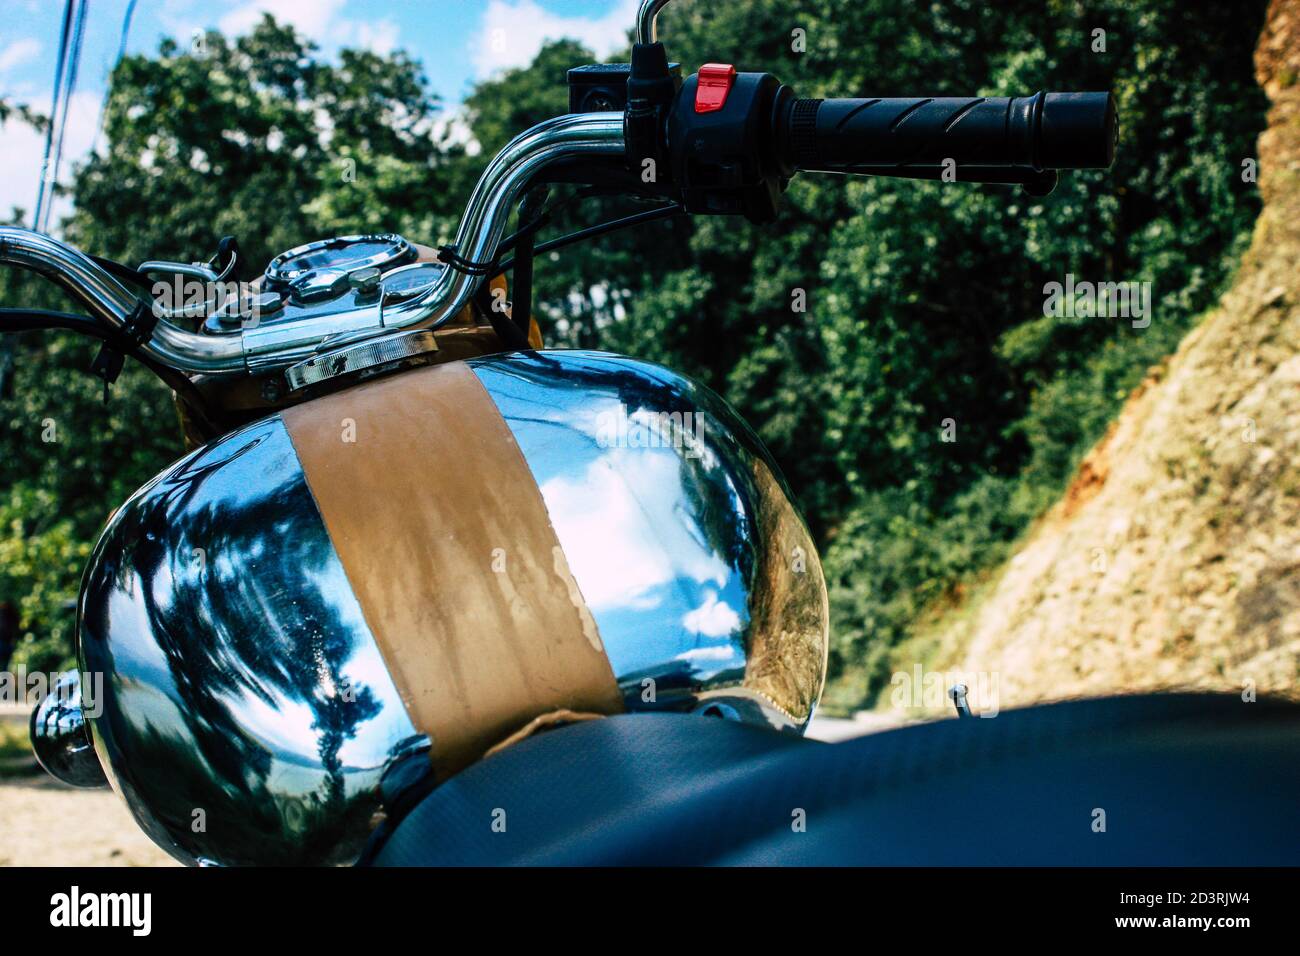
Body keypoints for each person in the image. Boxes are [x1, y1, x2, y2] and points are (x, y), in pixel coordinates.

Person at [0, 600, 18, 675]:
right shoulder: (13, 615)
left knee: (5, 665)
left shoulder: (3, 615)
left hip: (5, 643)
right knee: (5, 666)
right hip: (8, 643)